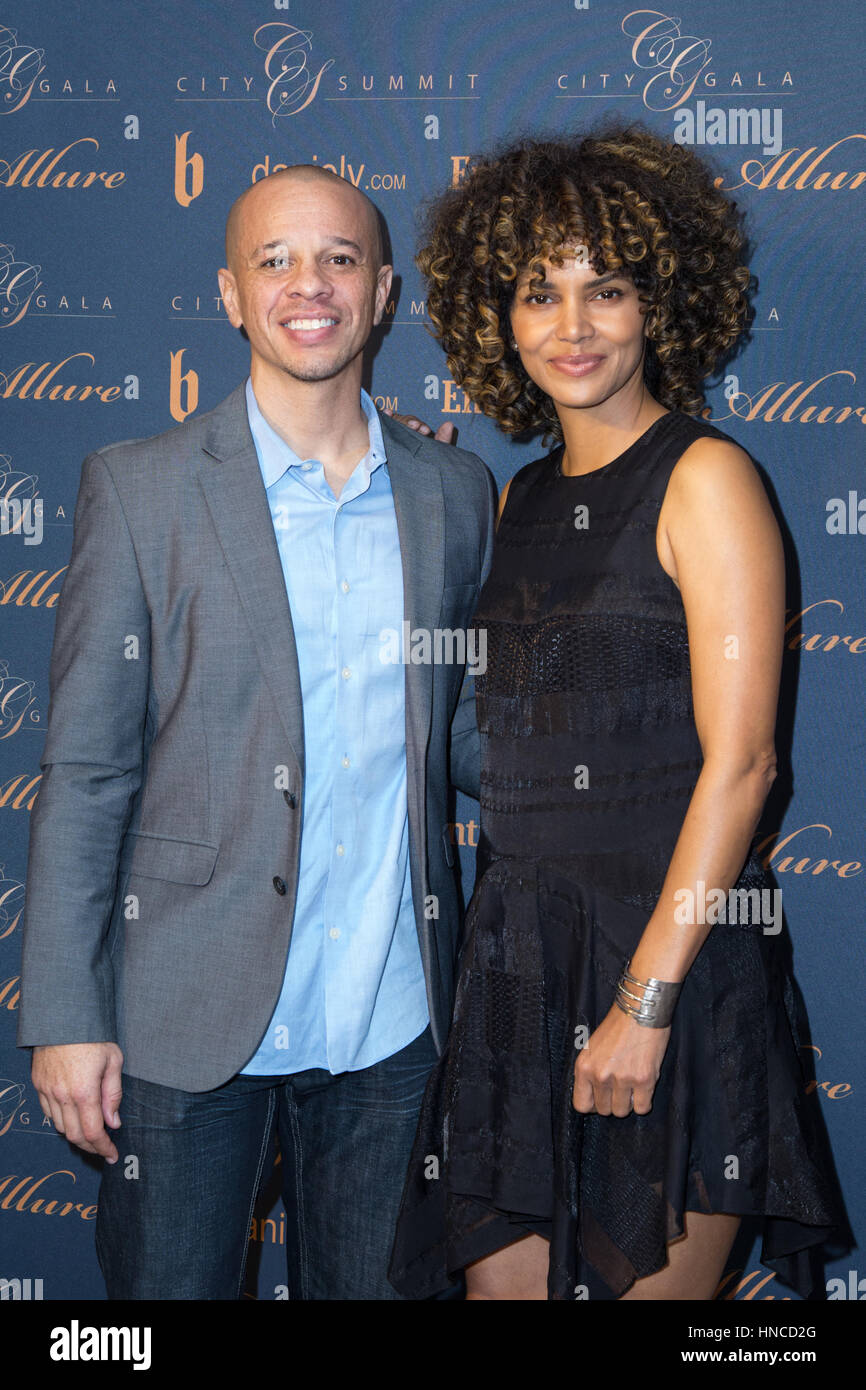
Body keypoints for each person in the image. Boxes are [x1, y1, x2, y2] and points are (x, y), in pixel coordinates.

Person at [17, 164, 496, 1300]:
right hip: (181, 1024)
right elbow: (87, 770)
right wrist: (67, 1016)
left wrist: (636, 769)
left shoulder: (455, 493)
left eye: (337, 257)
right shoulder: (137, 491)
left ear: (382, 292)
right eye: (272, 260)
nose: (307, 285)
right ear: (230, 296)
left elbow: (466, 734)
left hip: (391, 1019)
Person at [388, 125, 844, 1301]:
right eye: (537, 292)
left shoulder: (705, 478)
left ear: (661, 301)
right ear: (501, 315)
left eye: (607, 287)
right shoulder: (517, 494)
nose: (571, 324)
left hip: (670, 958)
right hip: (514, 963)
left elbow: (742, 769)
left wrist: (642, 1003)